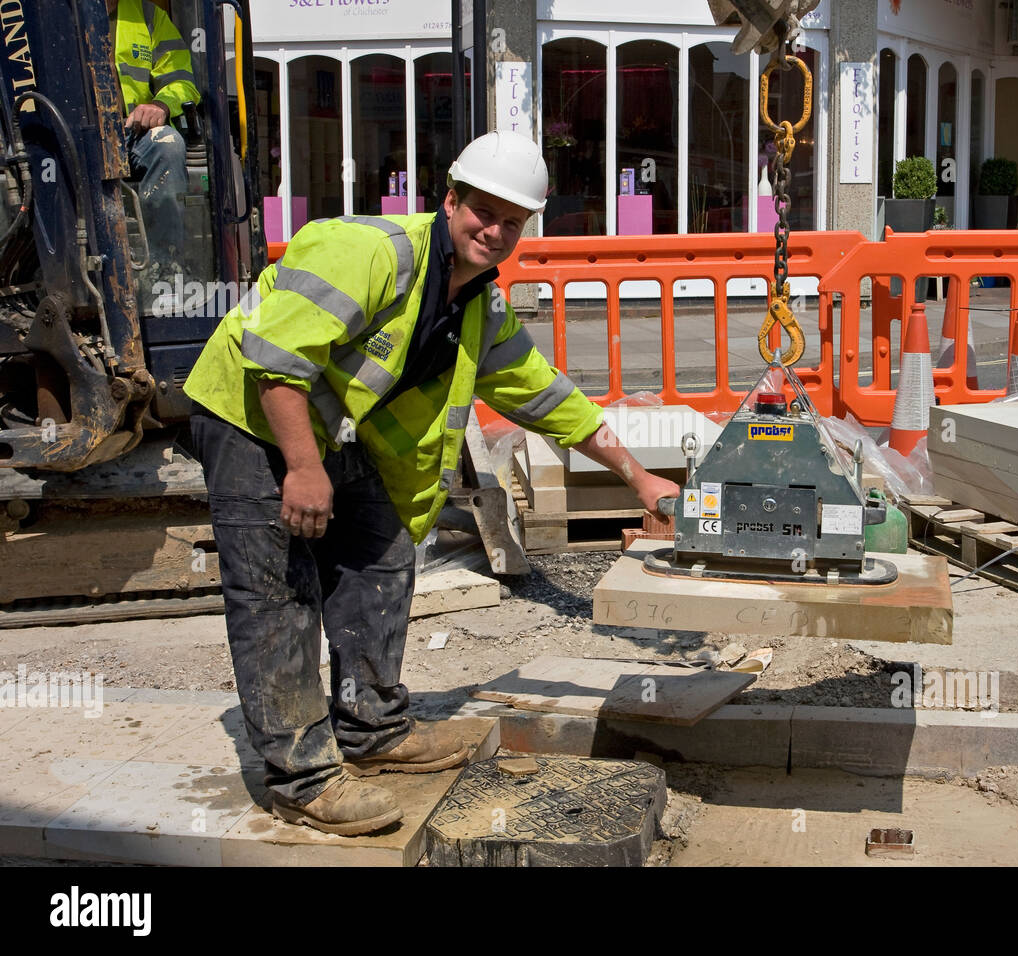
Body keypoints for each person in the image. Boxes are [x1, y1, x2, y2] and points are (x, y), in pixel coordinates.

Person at [183, 130, 679, 836]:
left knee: (380, 557)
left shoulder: (477, 305)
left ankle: (373, 730)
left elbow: (547, 398)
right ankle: (301, 777)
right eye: (485, 211)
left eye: (513, 222)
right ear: (451, 201)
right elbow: (275, 358)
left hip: (332, 428)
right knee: (278, 591)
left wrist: (637, 477)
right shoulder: (370, 253)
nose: (496, 230)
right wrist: (301, 467)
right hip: (251, 414)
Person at [107, 0, 198, 276]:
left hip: (130, 134)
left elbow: (182, 81)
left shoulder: (149, 16)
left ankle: (163, 269)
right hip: (65, 131)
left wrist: (160, 105)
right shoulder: (46, 13)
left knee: (168, 145)